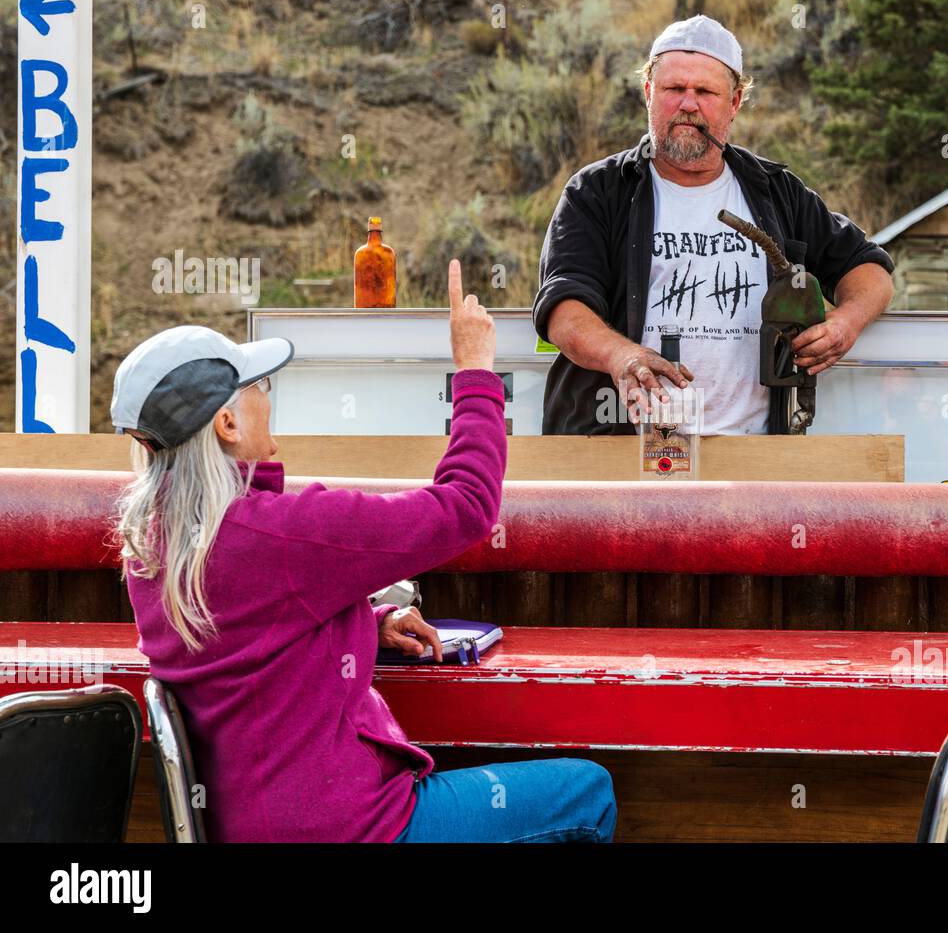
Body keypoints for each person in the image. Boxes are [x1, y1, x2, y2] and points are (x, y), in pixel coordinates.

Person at [110, 260, 616, 843]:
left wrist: (372, 624)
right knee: (587, 790)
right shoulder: (278, 534)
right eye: (258, 388)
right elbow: (467, 506)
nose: (266, 399)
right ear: (226, 422)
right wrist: (477, 371)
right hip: (353, 829)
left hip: (254, 826)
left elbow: (250, 638)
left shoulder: (149, 541)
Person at [533, 14, 895, 436]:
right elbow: (563, 309)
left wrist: (845, 323)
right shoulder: (597, 192)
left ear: (735, 102)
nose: (688, 104)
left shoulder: (776, 192)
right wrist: (622, 356)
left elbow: (869, 269)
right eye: (673, 89)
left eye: (705, 91)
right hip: (619, 451)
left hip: (753, 456)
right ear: (649, 93)